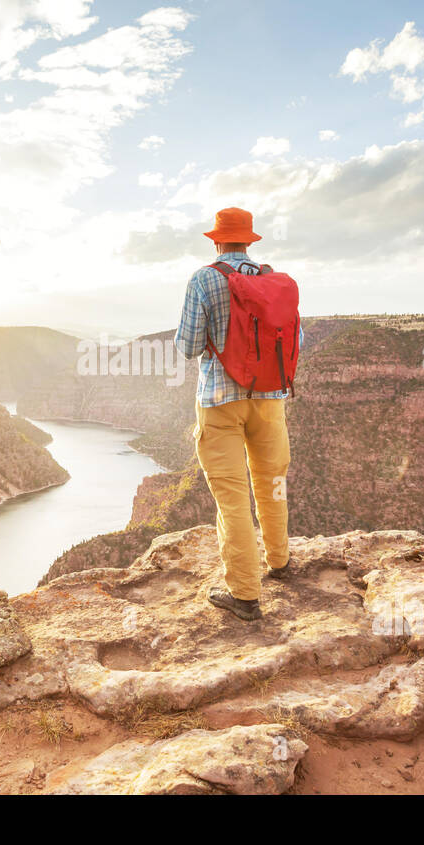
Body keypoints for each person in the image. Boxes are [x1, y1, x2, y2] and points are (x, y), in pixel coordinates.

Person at [173, 207, 297, 621]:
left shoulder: (204, 279)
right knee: (272, 481)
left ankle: (245, 595)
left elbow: (189, 347)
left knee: (232, 498)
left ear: (216, 240)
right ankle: (279, 562)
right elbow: (294, 338)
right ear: (249, 240)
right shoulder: (269, 276)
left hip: (221, 402)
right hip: (269, 398)